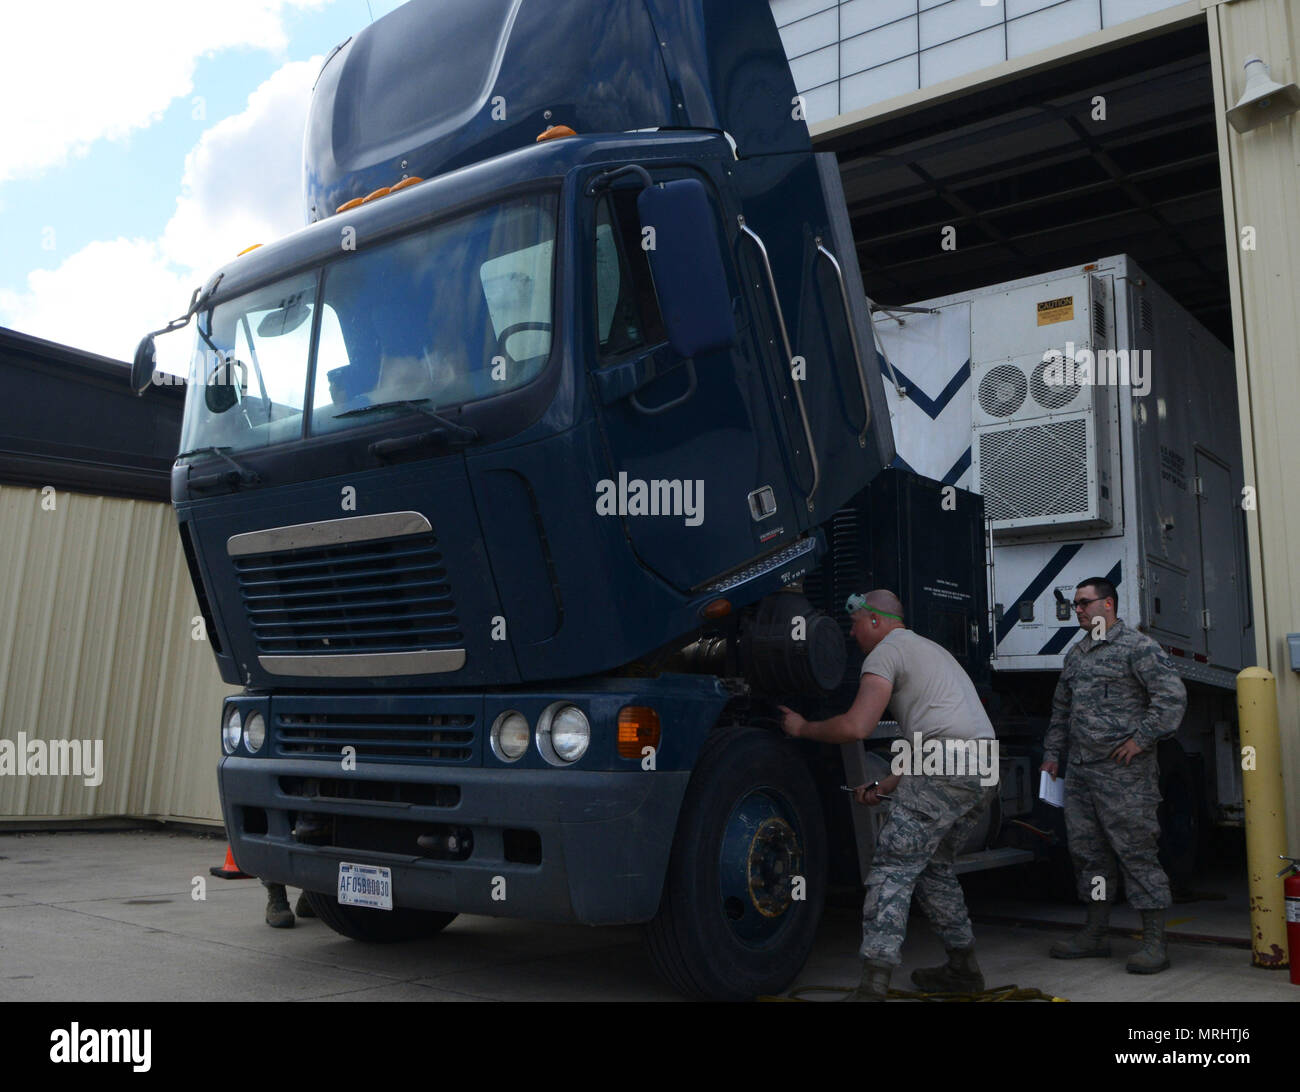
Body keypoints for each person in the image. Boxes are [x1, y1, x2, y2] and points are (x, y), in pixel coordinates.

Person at [780, 590, 998, 1001]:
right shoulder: (930, 650)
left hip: (944, 763)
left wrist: (803, 728)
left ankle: (872, 987)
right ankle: (963, 970)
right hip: (982, 768)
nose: (852, 631)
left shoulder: (883, 653)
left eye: (856, 622)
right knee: (933, 868)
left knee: (891, 868)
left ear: (876, 621)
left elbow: (856, 727)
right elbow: (935, 733)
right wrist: (883, 787)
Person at [1041, 577, 1187, 974]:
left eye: (1085, 603)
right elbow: (1061, 710)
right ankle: (1096, 933)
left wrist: (1141, 740)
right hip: (1082, 775)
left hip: (1125, 775)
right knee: (1089, 854)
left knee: (1135, 852)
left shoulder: (1137, 647)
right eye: (1075, 605)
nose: (1079, 610)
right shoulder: (1077, 655)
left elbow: (1171, 697)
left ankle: (1155, 940)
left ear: (1108, 605)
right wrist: (1053, 755)